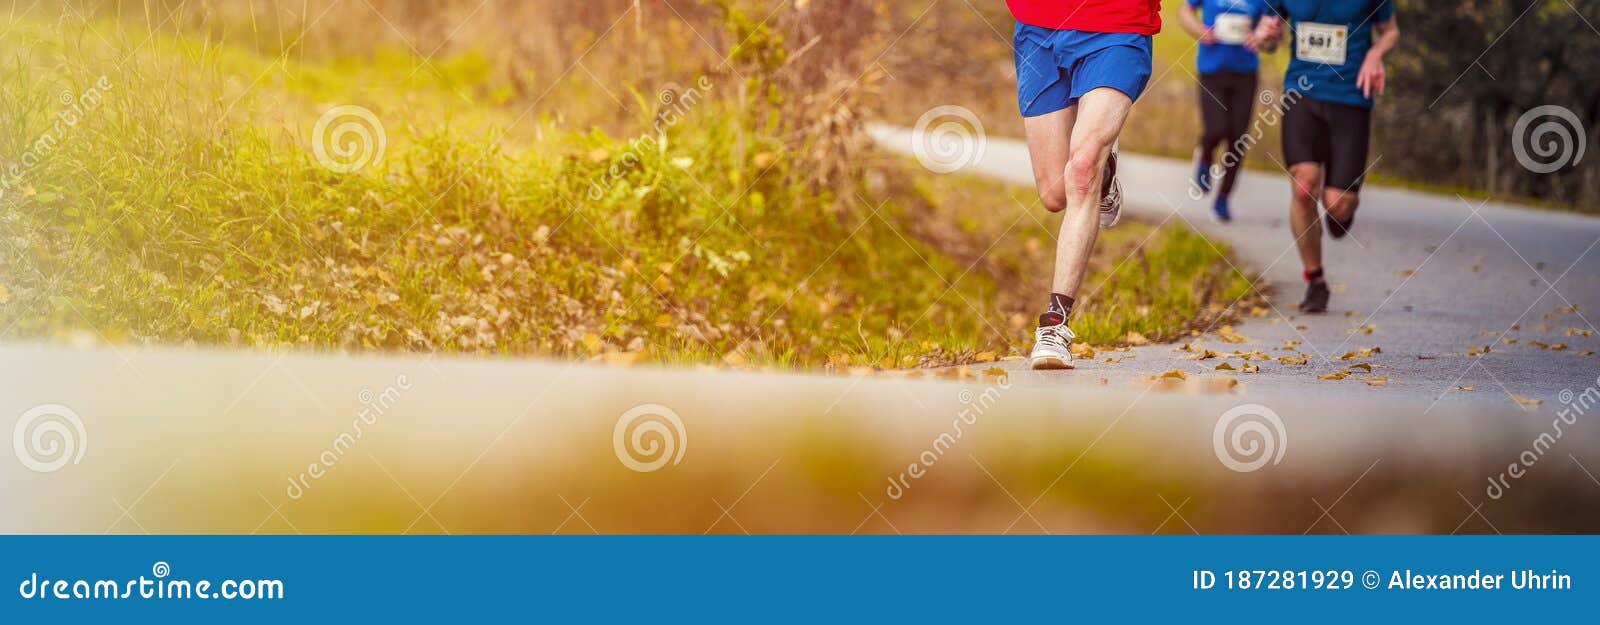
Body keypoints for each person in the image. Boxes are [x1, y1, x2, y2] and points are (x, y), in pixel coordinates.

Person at [1006, 0, 1161, 370]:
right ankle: (1104, 170)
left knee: (1080, 170)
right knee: (1054, 194)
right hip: (1038, 25)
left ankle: (1055, 326)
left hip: (1117, 25)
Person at [1253, 0, 1399, 313]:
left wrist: (1376, 53)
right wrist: (1266, 36)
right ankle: (1315, 279)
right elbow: (1269, 37)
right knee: (1303, 187)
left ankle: (1341, 212)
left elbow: (1390, 32)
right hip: (1301, 93)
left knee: (1338, 204)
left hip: (1351, 99)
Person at [1179, 0, 1269, 222]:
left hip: (1245, 74)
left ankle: (1223, 199)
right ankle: (1205, 156)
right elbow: (1185, 11)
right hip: (1212, 71)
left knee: (1237, 139)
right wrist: (1198, 30)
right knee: (1216, 128)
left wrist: (1260, 34)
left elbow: (1272, 25)